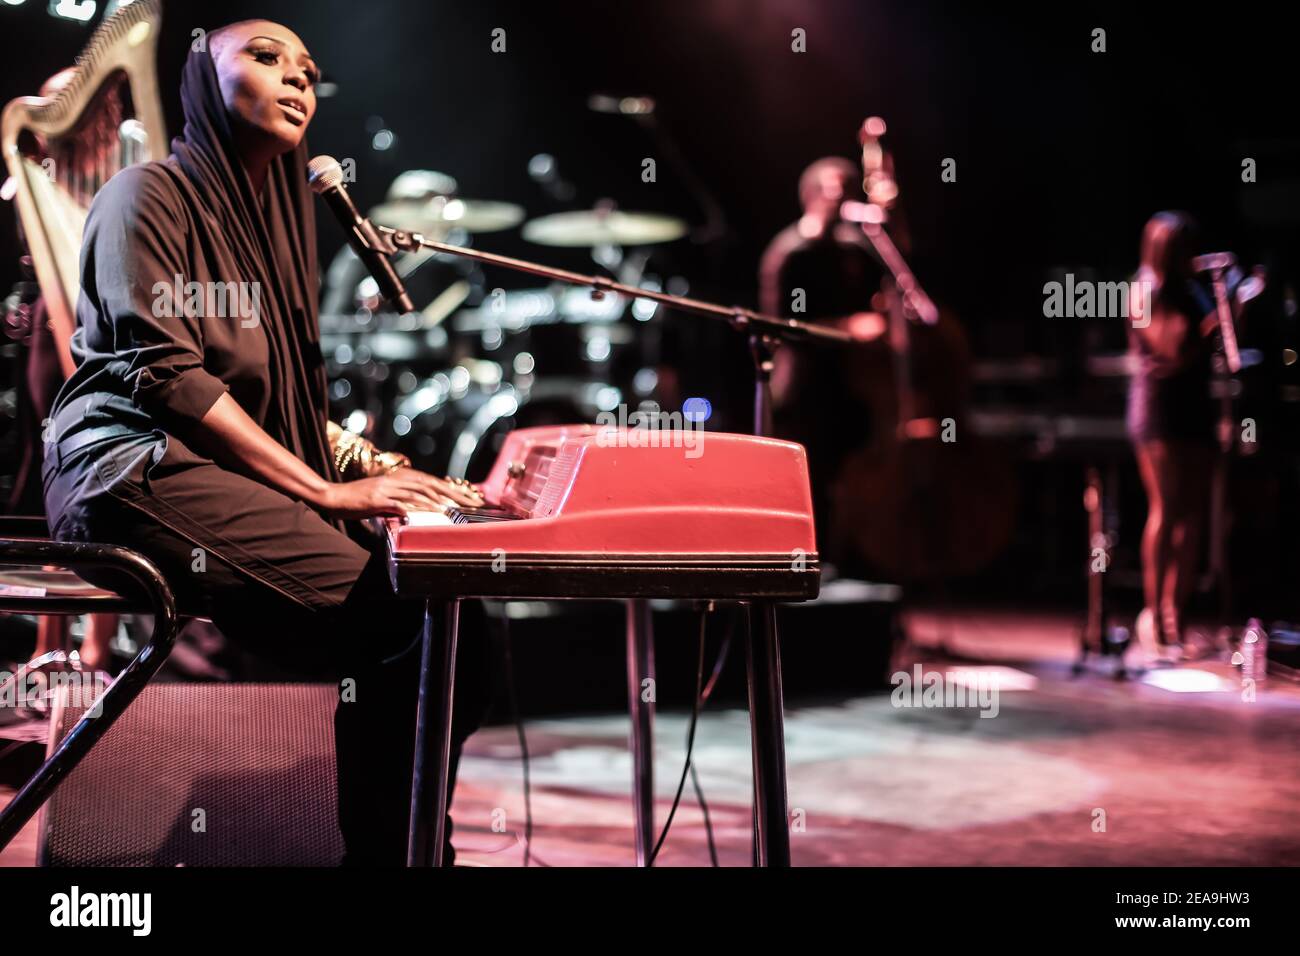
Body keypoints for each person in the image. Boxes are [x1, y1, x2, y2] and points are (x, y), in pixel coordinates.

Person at [41, 19, 492, 864]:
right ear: (203, 73)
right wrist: (327, 493)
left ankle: (412, 845)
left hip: (195, 473)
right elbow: (168, 378)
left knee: (457, 625)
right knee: (403, 621)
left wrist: (378, 467)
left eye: (309, 70)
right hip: (122, 467)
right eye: (266, 57)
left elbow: (267, 404)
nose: (297, 80)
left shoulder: (265, 238)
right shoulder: (145, 194)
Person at [1127, 211, 1218, 664]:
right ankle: (1154, 617)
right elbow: (1171, 348)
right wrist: (1215, 322)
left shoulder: (1193, 290)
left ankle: (1176, 615)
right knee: (1166, 508)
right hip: (1159, 410)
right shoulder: (1145, 290)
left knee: (1192, 517)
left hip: (1195, 409)